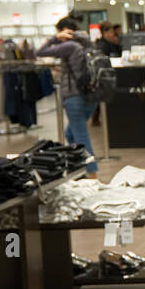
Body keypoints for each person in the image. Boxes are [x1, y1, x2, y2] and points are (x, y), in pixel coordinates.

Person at [36, 17, 99, 177]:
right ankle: (78, 168)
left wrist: (55, 39)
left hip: (74, 96)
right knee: (71, 134)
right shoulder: (88, 43)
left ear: (64, 30)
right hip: (91, 96)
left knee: (80, 137)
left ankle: (91, 174)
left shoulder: (69, 46)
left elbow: (40, 52)